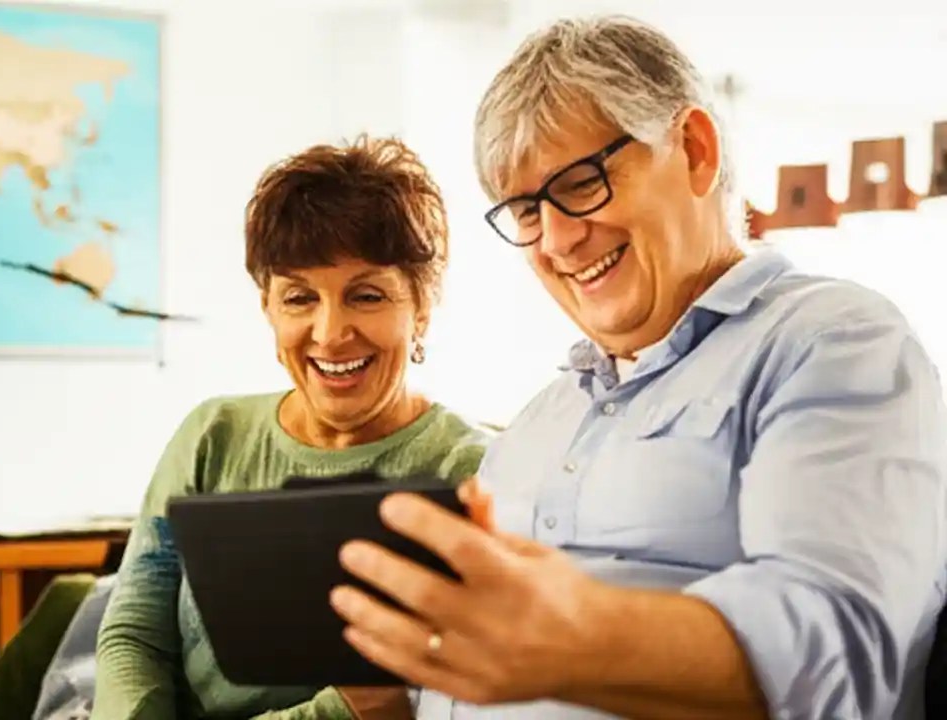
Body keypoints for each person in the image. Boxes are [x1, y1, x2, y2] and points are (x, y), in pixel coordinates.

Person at [327, 15, 947, 720]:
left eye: (583, 182)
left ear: (694, 150)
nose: (558, 239)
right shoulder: (535, 426)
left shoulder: (829, 342)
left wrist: (570, 640)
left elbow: (836, 649)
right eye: (527, 209)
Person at [90, 135, 491, 720]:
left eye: (367, 295)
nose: (329, 333)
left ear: (422, 307)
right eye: (299, 298)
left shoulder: (474, 472)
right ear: (268, 308)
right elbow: (134, 634)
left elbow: (385, 702)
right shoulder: (213, 435)